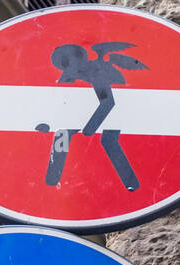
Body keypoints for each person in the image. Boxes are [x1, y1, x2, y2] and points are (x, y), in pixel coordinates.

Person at [37, 42, 146, 189]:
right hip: (91, 111)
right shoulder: (71, 76)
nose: (68, 68)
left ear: (79, 58)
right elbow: (62, 104)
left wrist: (90, 127)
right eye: (65, 64)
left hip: (117, 110)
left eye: (70, 62)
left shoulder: (96, 70)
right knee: (62, 134)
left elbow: (108, 102)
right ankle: (51, 182)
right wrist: (47, 123)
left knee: (108, 140)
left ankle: (131, 183)